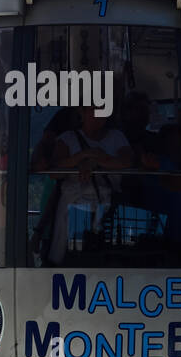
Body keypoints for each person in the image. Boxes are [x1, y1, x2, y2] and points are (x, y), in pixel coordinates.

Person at [35, 106, 133, 265]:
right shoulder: (67, 138)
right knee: (70, 259)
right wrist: (84, 157)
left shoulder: (117, 137)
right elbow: (55, 170)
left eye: (103, 110)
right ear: (82, 112)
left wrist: (96, 161)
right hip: (71, 211)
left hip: (107, 210)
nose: (99, 115)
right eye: (94, 110)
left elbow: (127, 161)